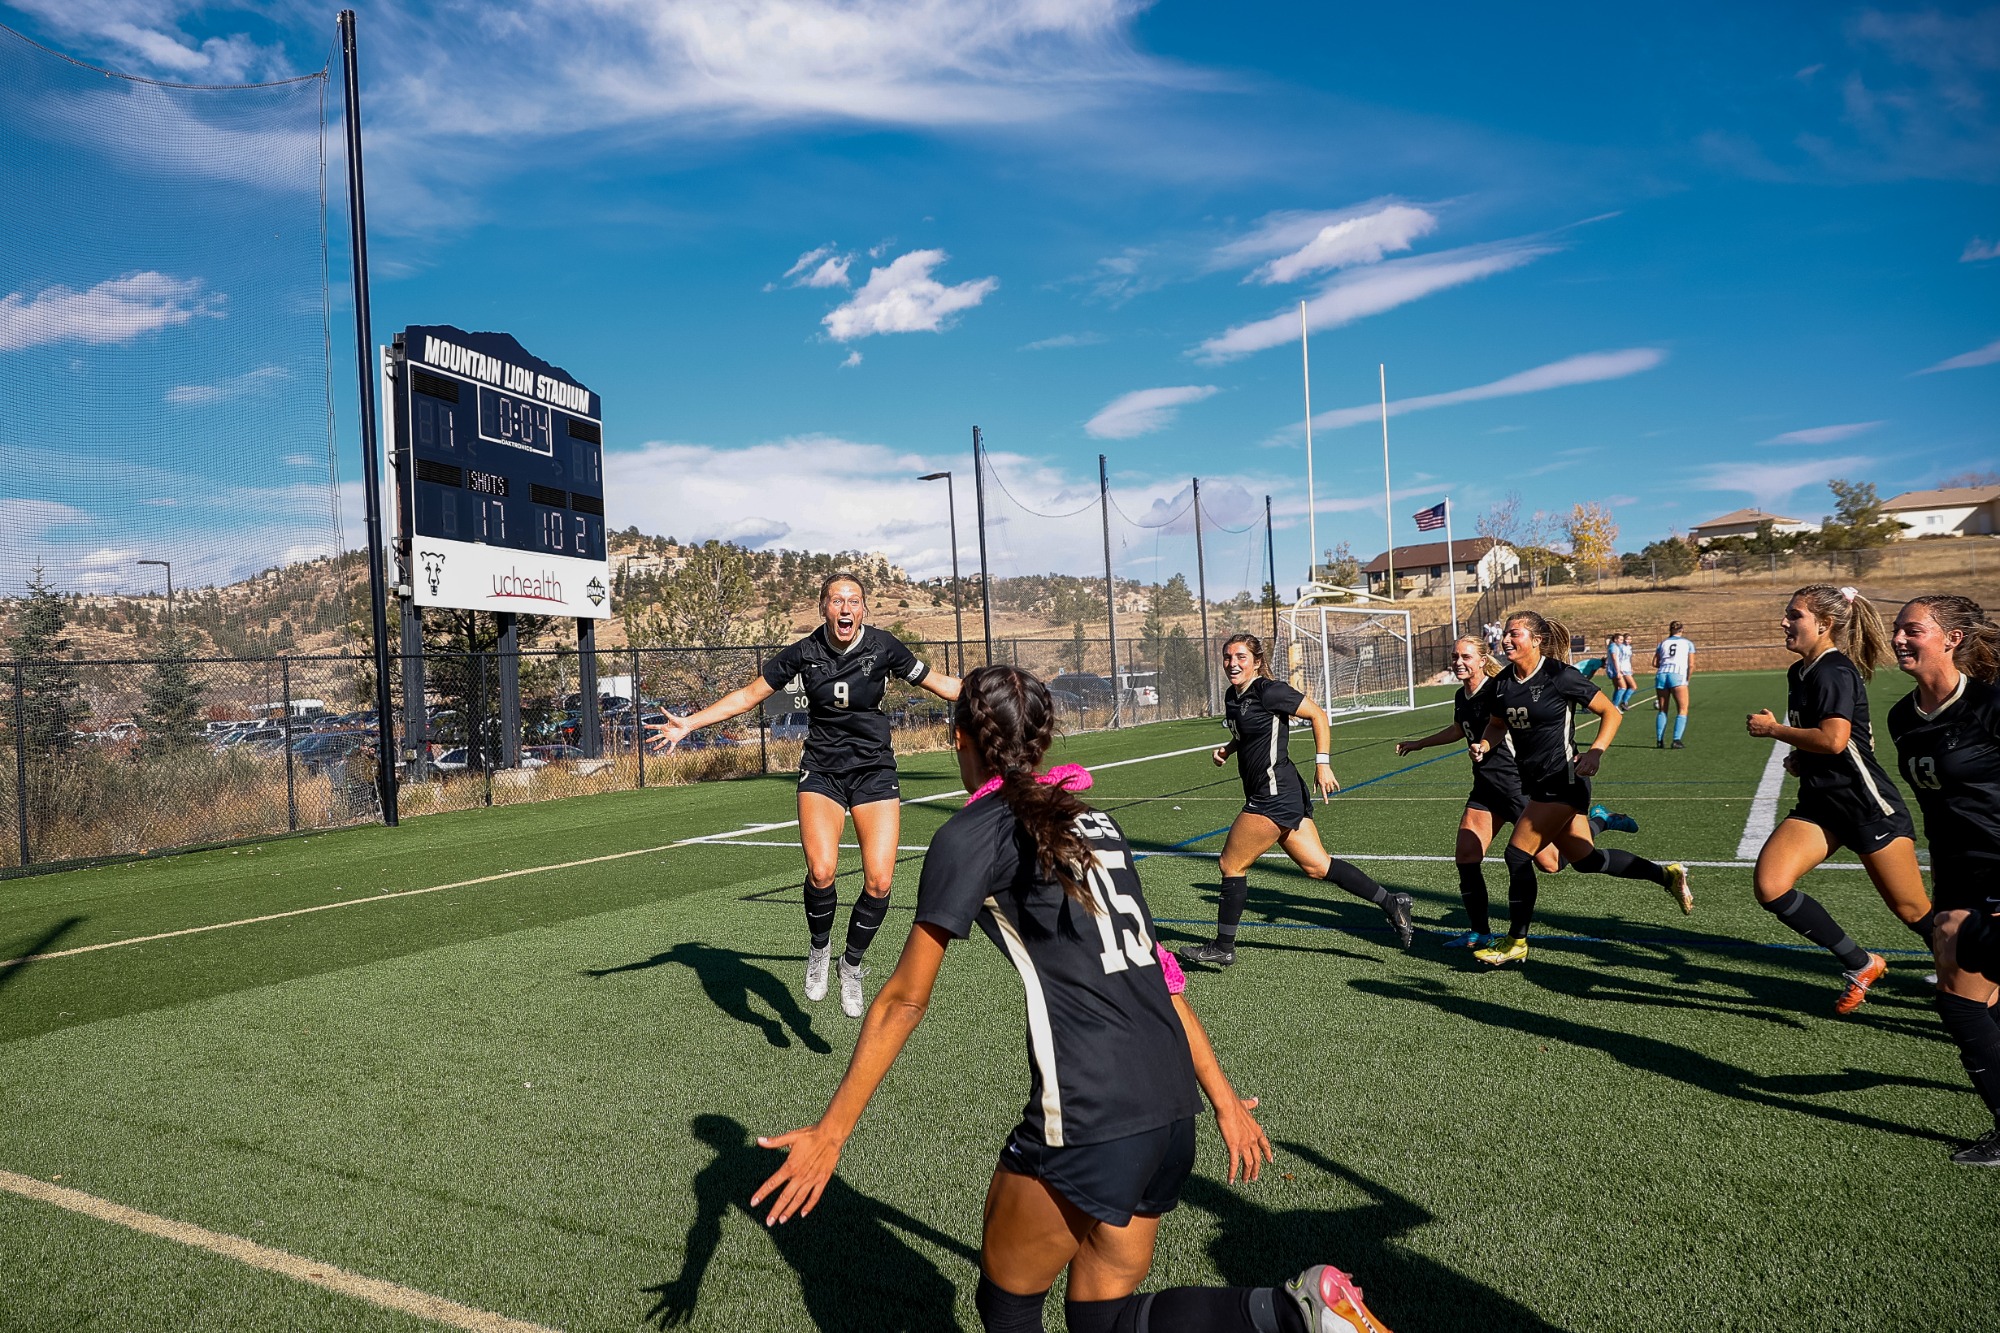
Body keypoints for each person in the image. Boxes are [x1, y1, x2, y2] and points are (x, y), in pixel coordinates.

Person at [750, 665, 1394, 1333]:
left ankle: (1294, 1317)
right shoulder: (1099, 823)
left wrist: (832, 1132)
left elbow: (904, 1001)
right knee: (1105, 1321)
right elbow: (1160, 971)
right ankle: (1290, 1313)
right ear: (1045, 739)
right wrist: (1222, 1097)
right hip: (1171, 1106)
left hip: (1089, 1110)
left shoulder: (972, 832)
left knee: (1008, 1306)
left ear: (959, 737)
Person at [653, 573, 961, 1017]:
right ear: (823, 608)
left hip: (874, 772)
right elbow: (747, 696)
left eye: (854, 600)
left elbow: (943, 685)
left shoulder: (884, 646)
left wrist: (998, 690)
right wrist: (690, 723)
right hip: (822, 772)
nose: (846, 608)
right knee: (821, 871)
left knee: (880, 881)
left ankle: (850, 965)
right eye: (837, 600)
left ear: (864, 609)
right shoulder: (804, 652)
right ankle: (821, 949)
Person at [1743, 584, 1930, 1014]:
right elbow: (1825, 744)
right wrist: (1798, 758)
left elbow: (1833, 739)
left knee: (1913, 910)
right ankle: (1860, 963)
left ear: (1824, 624)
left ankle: (1979, 976)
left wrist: (1775, 731)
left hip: (1865, 804)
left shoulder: (1834, 670)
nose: (1784, 622)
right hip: (1820, 804)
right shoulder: (1800, 672)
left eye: (1794, 616)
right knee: (1771, 886)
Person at [1469, 611, 1691, 967]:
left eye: (1515, 634)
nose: (1506, 640)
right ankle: (1665, 874)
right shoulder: (1503, 683)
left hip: (1564, 781)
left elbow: (1611, 713)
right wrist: (1484, 744)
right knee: (1584, 861)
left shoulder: (1559, 676)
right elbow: (1497, 725)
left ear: (1536, 640)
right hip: (1537, 783)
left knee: (1516, 855)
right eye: (1506, 635)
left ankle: (1516, 942)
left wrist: (1596, 752)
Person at [1179, 633, 1413, 968]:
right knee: (1319, 867)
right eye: (1228, 657)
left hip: (1272, 794)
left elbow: (1318, 715)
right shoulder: (1234, 695)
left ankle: (1223, 946)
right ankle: (1392, 903)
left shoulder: (1269, 690)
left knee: (1231, 864)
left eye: (1241, 657)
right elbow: (1248, 733)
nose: (1233, 663)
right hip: (1280, 792)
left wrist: (1322, 761)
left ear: (1257, 661)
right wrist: (1229, 749)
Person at [1396, 635, 1642, 949]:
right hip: (1485, 788)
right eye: (1455, 656)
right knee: (1467, 856)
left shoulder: (1500, 689)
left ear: (1482, 660)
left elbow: (1522, 724)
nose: (1458, 662)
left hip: (1517, 786)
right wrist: (1420, 744)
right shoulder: (1462, 695)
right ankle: (1480, 932)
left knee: (1551, 864)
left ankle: (1599, 822)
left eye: (1466, 657)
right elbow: (1460, 728)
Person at [1887, 595, 2000, 1165]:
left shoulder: (1991, 705)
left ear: (1952, 638)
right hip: (1958, 870)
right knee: (1962, 995)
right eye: (1897, 630)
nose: (1899, 639)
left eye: (1914, 630)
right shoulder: (1902, 717)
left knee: (1965, 997)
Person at [1653, 621, 1694, 747]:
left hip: (1662, 674)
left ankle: (1659, 740)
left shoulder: (1663, 643)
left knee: (1662, 710)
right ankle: (1676, 740)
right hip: (1677, 675)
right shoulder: (1687, 643)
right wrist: (1687, 678)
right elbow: (1691, 664)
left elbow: (1655, 662)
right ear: (1682, 630)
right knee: (1682, 709)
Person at [1609, 633, 1638, 711]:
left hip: (1626, 668)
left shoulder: (1628, 647)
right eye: (1627, 639)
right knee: (1631, 686)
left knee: (1620, 687)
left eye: (1630, 639)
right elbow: (1616, 659)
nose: (1629, 641)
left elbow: (1627, 659)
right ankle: (1621, 702)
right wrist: (1619, 670)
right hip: (1622, 669)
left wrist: (1630, 667)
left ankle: (1616, 703)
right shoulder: (1619, 647)